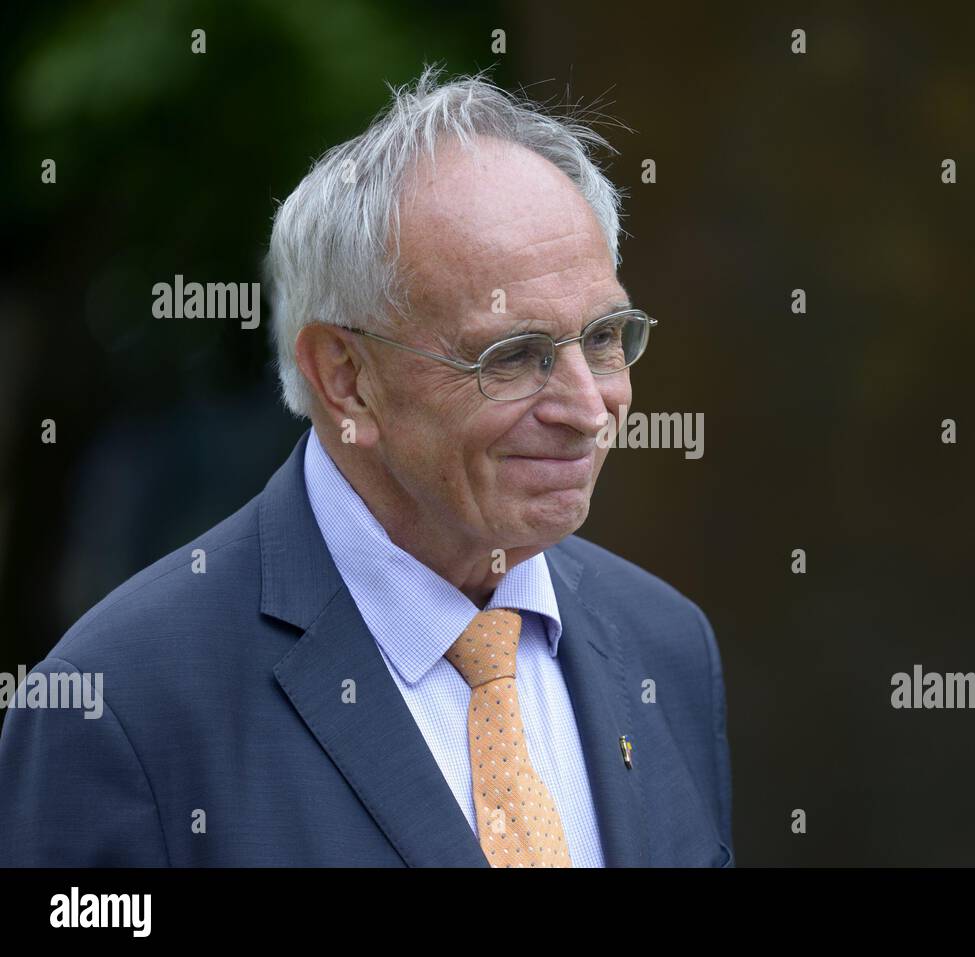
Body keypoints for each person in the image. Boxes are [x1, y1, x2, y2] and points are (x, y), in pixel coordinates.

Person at [0, 66, 732, 867]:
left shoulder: (667, 646)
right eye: (514, 356)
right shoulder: (122, 704)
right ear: (347, 378)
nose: (590, 409)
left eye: (604, 338)